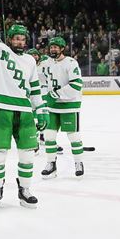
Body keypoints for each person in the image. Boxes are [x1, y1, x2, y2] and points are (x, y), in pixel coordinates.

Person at [0, 1, 45, 208]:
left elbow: (35, 88)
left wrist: (41, 110)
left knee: (27, 154)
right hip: (1, 108)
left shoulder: (30, 61)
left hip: (25, 112)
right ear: (10, 39)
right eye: (16, 38)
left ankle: (25, 189)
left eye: (22, 39)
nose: (20, 42)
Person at [39, 37, 85, 178]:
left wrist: (54, 94)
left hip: (69, 105)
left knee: (73, 135)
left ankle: (78, 162)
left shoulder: (71, 63)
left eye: (56, 47)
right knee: (49, 136)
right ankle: (51, 164)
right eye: (51, 47)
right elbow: (35, 74)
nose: (53, 49)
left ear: (62, 48)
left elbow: (76, 85)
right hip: (52, 106)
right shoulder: (46, 63)